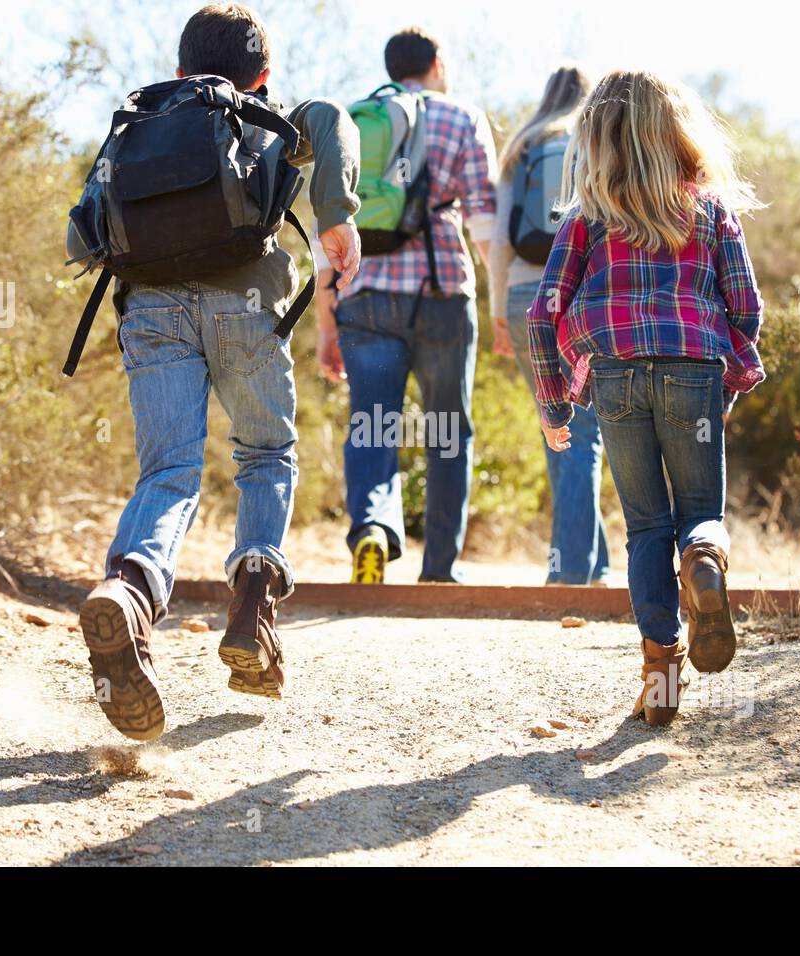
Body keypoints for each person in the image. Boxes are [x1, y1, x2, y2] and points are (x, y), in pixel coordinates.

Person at [76, 3, 362, 741]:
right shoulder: (258, 119)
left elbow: (82, 231)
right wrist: (336, 215)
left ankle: (130, 589)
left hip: (152, 315)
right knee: (266, 453)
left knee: (167, 473)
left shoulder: (139, 122)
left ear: (179, 69)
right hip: (246, 306)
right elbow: (329, 115)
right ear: (261, 74)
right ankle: (252, 610)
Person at [527, 70, 765, 726]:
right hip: (693, 373)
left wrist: (555, 403)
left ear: (598, 138)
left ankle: (660, 680)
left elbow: (544, 312)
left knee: (645, 528)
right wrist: (730, 381)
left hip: (616, 376)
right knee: (697, 513)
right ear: (677, 132)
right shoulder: (711, 208)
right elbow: (746, 306)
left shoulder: (587, 215)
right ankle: (706, 560)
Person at [314, 26, 497, 585]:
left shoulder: (351, 121)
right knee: (446, 429)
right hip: (441, 293)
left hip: (363, 292)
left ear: (390, 66)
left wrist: (327, 319)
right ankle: (439, 568)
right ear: (437, 62)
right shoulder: (460, 117)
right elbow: (484, 219)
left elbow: (330, 224)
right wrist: (506, 305)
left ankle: (371, 529)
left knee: (372, 423)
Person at [489, 65, 610, 586]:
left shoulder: (522, 146)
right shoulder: (597, 140)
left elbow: (498, 243)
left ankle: (593, 565)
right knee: (581, 433)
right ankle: (570, 575)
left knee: (557, 429)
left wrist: (497, 310)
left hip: (521, 295)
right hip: (579, 295)